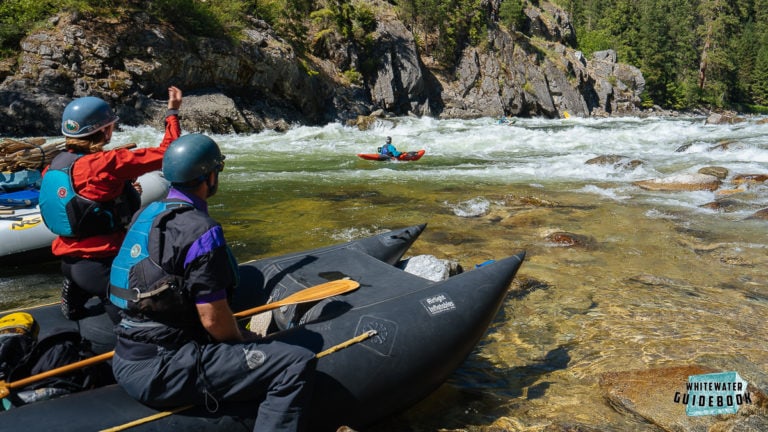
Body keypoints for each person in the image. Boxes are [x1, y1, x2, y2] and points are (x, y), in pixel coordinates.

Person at [108, 134, 316, 432]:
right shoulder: (203, 231)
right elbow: (213, 320)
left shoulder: (148, 212)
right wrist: (244, 344)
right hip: (162, 370)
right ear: (210, 176)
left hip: (127, 354)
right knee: (295, 364)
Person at [39, 87, 183, 322]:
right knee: (136, 325)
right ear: (104, 129)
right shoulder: (107, 162)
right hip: (103, 264)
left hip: (68, 260)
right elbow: (169, 153)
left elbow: (85, 198)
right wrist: (172, 112)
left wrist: (124, 191)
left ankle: (75, 293)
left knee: (83, 293)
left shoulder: (55, 165)